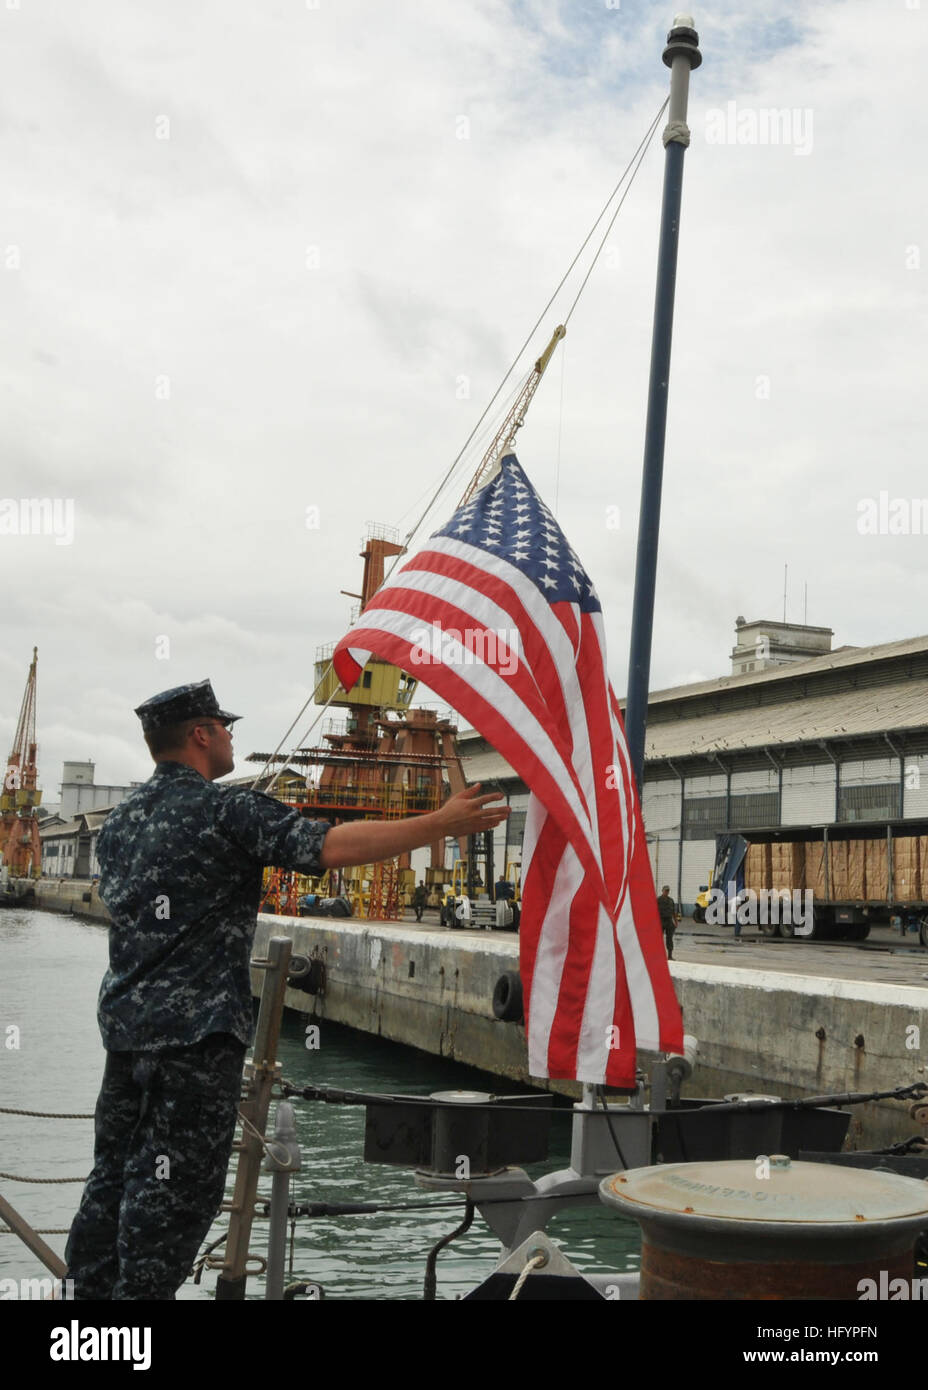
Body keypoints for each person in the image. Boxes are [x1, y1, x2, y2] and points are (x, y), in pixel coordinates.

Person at [64, 679, 508, 1300]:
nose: (231, 735)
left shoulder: (120, 824)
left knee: (112, 1178)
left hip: (126, 1039)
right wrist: (438, 822)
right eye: (223, 726)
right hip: (196, 1045)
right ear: (200, 734)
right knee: (174, 1200)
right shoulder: (226, 810)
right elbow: (330, 846)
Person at [657, 884, 680, 960]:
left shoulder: (671, 900)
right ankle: (658, 955)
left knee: (669, 939)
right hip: (660, 921)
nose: (667, 892)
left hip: (669, 921)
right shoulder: (658, 900)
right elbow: (653, 911)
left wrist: (675, 921)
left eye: (668, 891)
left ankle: (669, 956)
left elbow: (673, 912)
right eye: (665, 890)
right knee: (658, 939)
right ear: (662, 891)